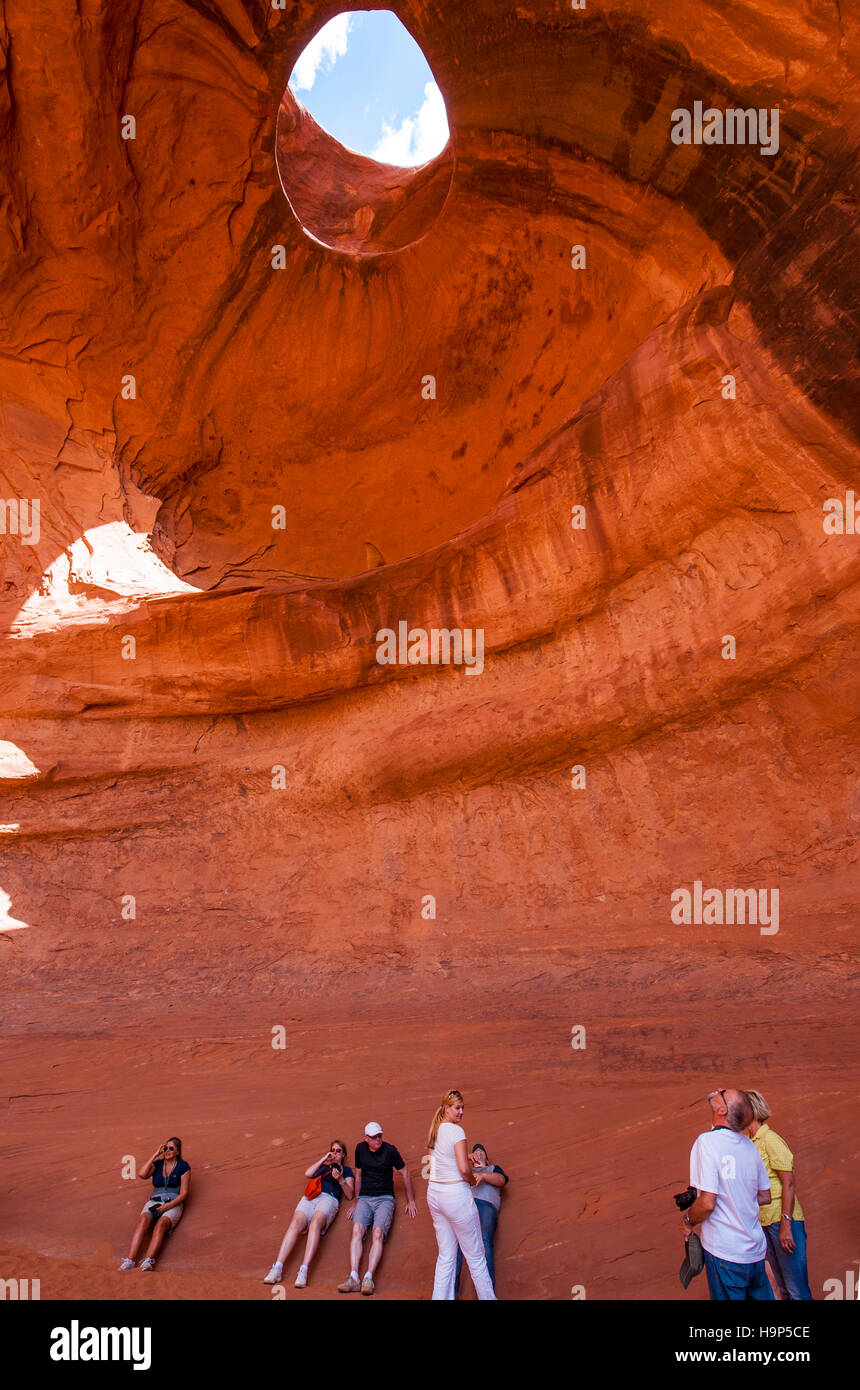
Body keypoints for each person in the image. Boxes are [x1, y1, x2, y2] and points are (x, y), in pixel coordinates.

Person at [682, 1088, 774, 1300]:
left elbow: (706, 1203)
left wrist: (687, 1221)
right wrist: (736, 1197)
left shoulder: (707, 1142)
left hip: (726, 1252)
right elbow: (764, 1196)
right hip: (754, 1251)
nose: (716, 1091)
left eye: (722, 1092)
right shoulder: (749, 1147)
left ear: (722, 1109)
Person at [426, 1089, 497, 1300]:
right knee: (476, 1257)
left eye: (463, 1108)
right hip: (455, 1196)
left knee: (446, 1255)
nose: (461, 1112)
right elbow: (464, 1170)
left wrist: (463, 1157)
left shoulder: (436, 1130)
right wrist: (472, 1179)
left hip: (435, 1194)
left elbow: (436, 1160)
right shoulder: (457, 1132)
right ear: (446, 1108)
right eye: (457, 1108)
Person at [744, 1090, 813, 1300]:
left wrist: (786, 1224)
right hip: (764, 1222)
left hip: (780, 1221)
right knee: (781, 1289)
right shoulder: (750, 1143)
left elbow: (789, 1183)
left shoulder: (770, 1140)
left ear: (750, 1112)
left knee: (796, 1290)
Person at [337, 1121, 417, 1295]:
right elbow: (358, 1176)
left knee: (377, 1233)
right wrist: (357, 1202)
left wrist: (410, 1200)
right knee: (357, 1230)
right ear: (366, 1138)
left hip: (385, 1198)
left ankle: (368, 1277)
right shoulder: (360, 1149)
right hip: (365, 1198)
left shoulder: (390, 1150)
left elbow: (404, 1172)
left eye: (380, 1136)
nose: (378, 1139)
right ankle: (353, 1277)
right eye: (374, 1137)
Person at [263, 1140, 355, 1288]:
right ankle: (277, 1268)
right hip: (311, 1196)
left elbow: (350, 1194)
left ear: (343, 1154)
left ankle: (304, 1270)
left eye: (338, 1151)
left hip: (329, 1198)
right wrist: (325, 1158)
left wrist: (340, 1179)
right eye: (333, 1150)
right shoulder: (323, 1167)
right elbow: (308, 1173)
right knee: (295, 1224)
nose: (335, 1153)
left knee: (315, 1223)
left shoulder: (347, 1171)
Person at [119, 1137, 190, 1272]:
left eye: (171, 1149)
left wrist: (169, 1206)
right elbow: (141, 1174)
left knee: (161, 1225)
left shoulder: (183, 1167)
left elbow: (184, 1193)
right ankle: (130, 1260)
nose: (167, 1151)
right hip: (155, 1201)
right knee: (143, 1221)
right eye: (165, 1148)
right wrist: (155, 1155)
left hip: (173, 1203)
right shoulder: (158, 1164)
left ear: (177, 1152)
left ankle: (148, 1262)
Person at [455, 1142, 508, 1296]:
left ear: (487, 1158)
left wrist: (483, 1176)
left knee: (484, 1240)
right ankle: (451, 1291)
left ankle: (487, 1292)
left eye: (481, 1152)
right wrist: (467, 1158)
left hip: (486, 1206)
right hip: (466, 1206)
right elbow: (450, 1162)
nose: (478, 1153)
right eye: (475, 1152)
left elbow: (501, 1180)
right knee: (456, 1245)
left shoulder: (493, 1169)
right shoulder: (466, 1171)